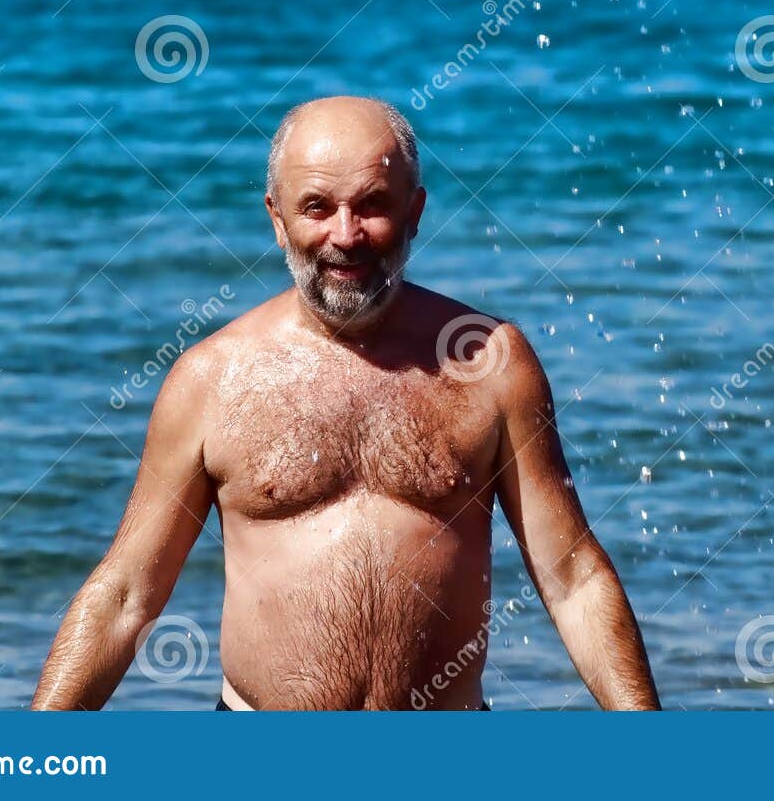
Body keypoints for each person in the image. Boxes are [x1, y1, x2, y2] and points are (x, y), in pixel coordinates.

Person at [32, 96, 660, 710]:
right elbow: (125, 595)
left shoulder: (491, 362)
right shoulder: (211, 380)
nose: (345, 235)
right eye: (316, 207)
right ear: (277, 219)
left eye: (372, 206)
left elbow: (573, 576)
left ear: (415, 212)